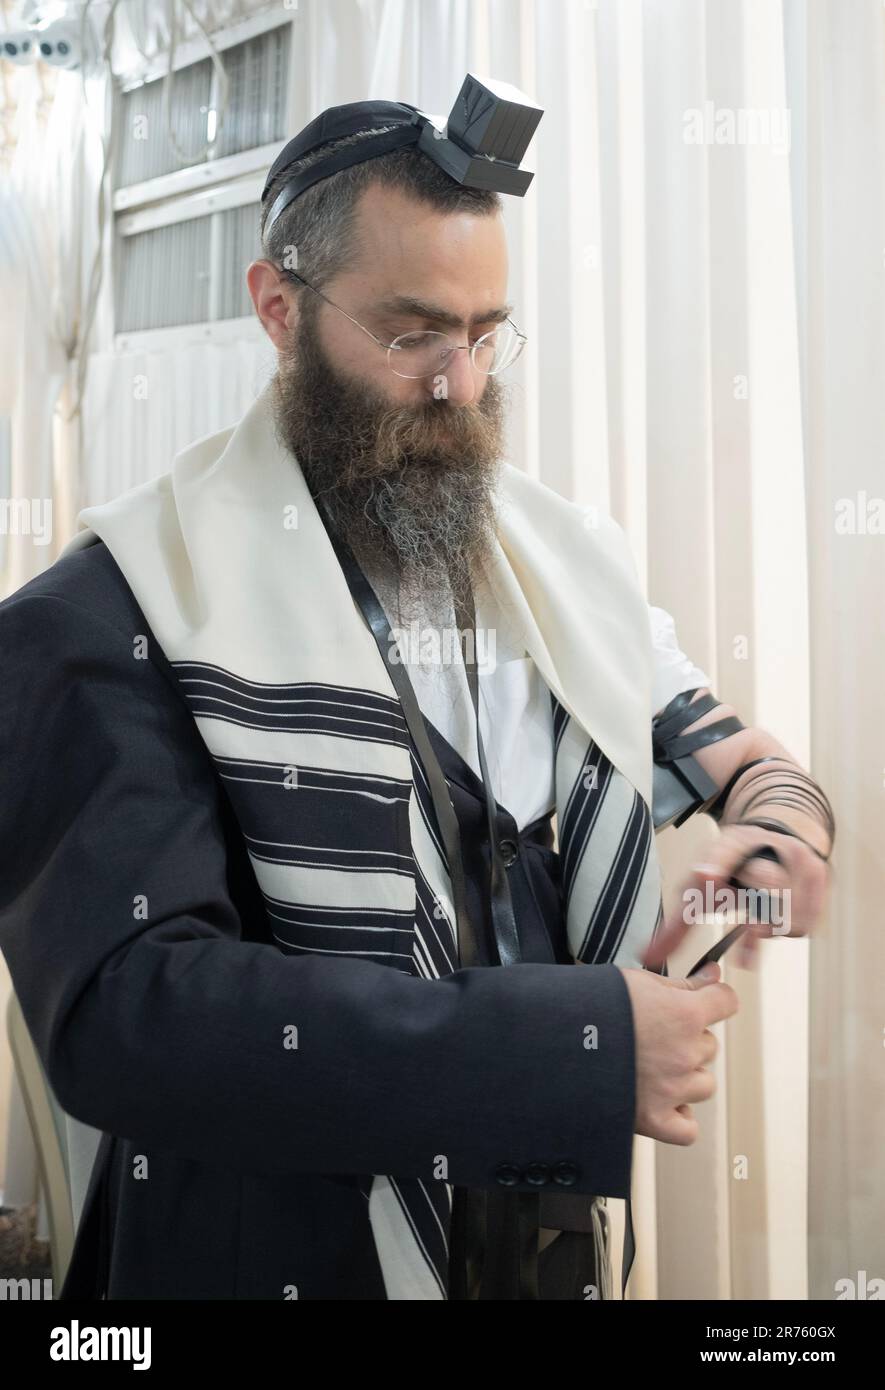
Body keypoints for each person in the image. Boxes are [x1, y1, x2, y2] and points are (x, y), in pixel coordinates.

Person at [0, 102, 832, 1301]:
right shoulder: (110, 612)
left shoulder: (561, 568)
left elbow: (738, 758)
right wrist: (581, 1050)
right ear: (280, 308)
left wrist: (784, 827)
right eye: (414, 335)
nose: (461, 387)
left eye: (490, 335)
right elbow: (132, 1017)